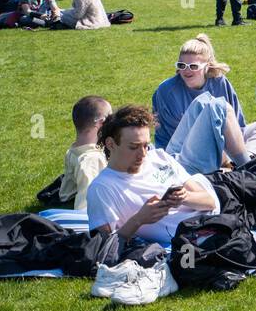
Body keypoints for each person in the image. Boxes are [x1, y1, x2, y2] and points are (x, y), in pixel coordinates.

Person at [86, 105, 220, 245]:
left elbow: (210, 201)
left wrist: (184, 197)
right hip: (203, 232)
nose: (143, 154)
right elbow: (104, 247)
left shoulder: (159, 157)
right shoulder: (102, 188)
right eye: (134, 147)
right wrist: (139, 219)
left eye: (146, 146)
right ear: (111, 144)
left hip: (222, 196)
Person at [151, 33, 249, 170]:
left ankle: (233, 163)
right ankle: (247, 167)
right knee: (215, 105)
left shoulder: (220, 82)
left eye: (193, 66)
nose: (186, 70)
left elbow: (238, 124)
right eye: (181, 65)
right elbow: (175, 140)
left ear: (207, 66)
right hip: (181, 154)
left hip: (224, 145)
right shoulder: (166, 91)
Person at [61, 96, 111, 210]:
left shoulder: (76, 148)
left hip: (66, 197)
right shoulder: (90, 161)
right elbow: (84, 206)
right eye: (111, 118)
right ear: (101, 123)